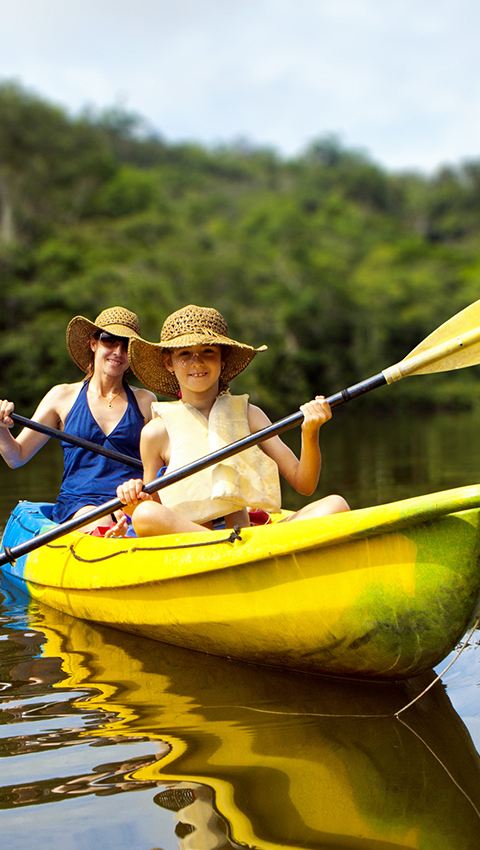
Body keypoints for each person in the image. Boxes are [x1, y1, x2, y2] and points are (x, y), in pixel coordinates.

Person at [112, 304, 349, 537]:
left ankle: (233, 544)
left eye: (208, 352)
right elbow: (151, 507)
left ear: (222, 358)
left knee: (336, 505)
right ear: (168, 363)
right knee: (145, 514)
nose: (197, 362)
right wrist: (133, 497)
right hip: (194, 541)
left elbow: (304, 484)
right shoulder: (155, 432)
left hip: (248, 536)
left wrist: (310, 431)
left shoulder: (249, 415)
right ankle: (221, 542)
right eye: (185, 353)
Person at [0, 306, 156, 532]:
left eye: (126, 346)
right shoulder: (62, 396)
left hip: (131, 505)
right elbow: (16, 456)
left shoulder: (145, 400)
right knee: (100, 521)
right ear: (94, 343)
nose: (118, 352)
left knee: (137, 518)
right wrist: (1, 427)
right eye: (110, 341)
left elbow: (162, 464)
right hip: (79, 507)